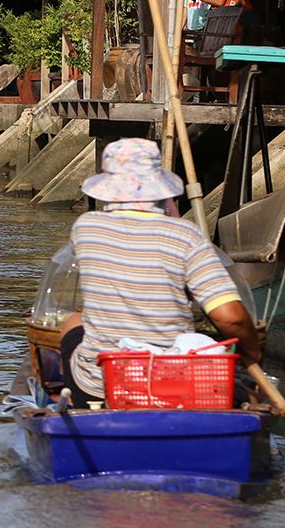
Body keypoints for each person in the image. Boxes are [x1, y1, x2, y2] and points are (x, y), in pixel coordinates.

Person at [58, 138, 262, 407]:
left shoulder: (85, 228)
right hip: (174, 382)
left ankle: (74, 401)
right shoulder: (185, 236)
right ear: (160, 188)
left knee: (73, 322)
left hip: (102, 385)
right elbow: (231, 319)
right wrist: (253, 353)